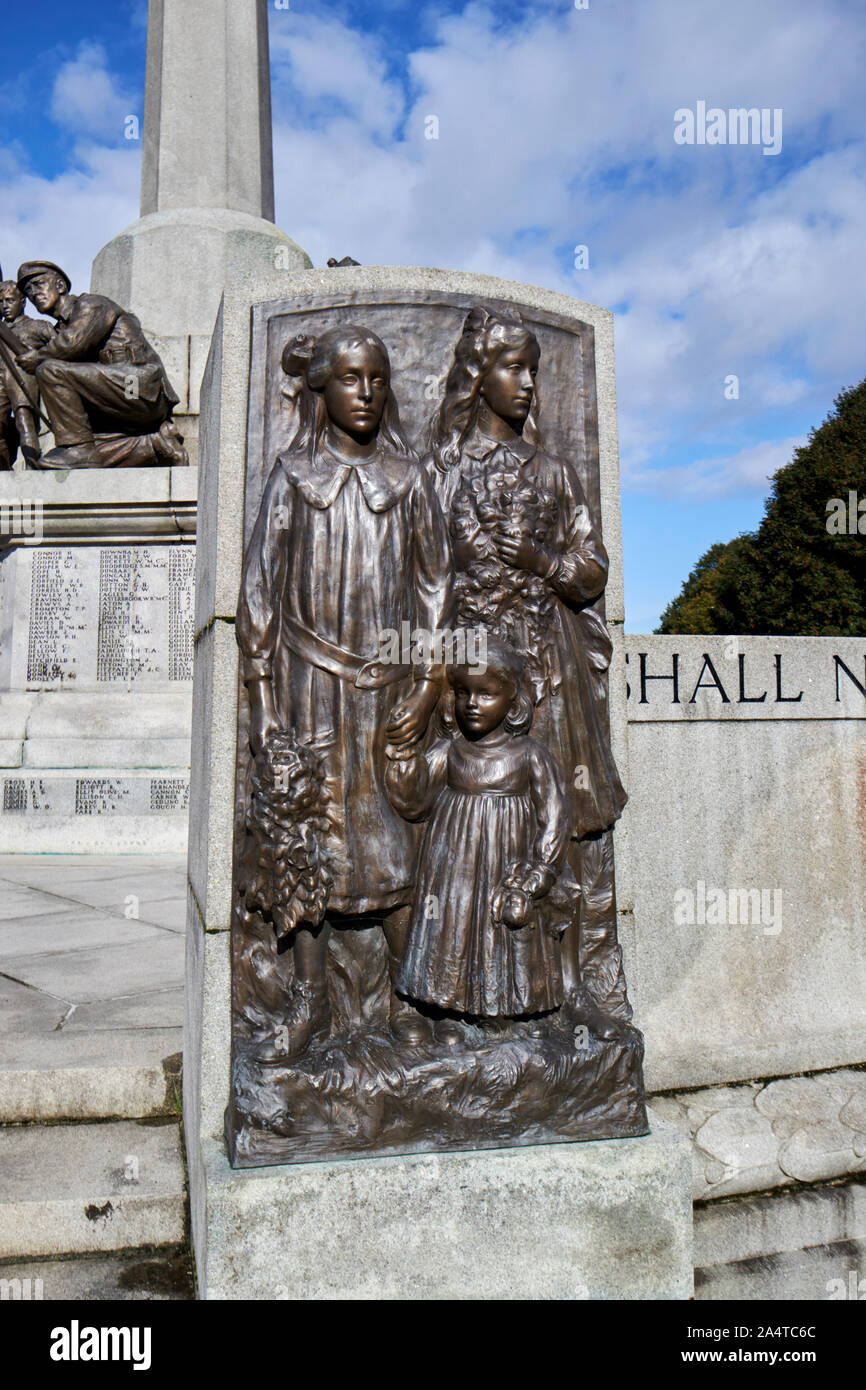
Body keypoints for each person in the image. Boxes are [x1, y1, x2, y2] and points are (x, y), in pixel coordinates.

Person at [236, 323, 453, 1053]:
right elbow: (259, 593)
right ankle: (309, 1001)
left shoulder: (411, 477)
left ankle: (406, 999)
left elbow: (434, 588)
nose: (366, 393)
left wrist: (425, 687)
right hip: (308, 689)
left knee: (395, 845)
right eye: (351, 379)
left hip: (388, 694)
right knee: (305, 844)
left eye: (379, 380)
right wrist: (262, 698)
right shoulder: (294, 476)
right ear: (322, 390)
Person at [428, 305, 630, 1038]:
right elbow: (418, 578)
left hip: (552, 676)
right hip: (475, 682)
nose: (528, 386)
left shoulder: (554, 471)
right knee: (480, 830)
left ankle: (588, 984)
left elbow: (590, 569)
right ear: (477, 377)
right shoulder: (441, 472)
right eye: (514, 368)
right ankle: (477, 990)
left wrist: (540, 560)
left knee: (570, 825)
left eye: (535, 371)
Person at [385, 638, 577, 1041]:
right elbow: (416, 801)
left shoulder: (529, 754)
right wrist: (404, 766)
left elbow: (555, 815)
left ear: (513, 701)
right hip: (452, 865)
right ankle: (450, 1007)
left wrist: (541, 869)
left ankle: (501, 1007)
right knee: (451, 930)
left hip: (504, 862)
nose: (472, 703)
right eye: (463, 693)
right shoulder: (450, 750)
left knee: (500, 937)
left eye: (486, 694)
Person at [14, 260, 187, 468]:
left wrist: (38, 357)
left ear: (59, 286)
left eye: (39, 284)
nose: (34, 293)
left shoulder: (91, 305)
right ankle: (155, 445)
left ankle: (80, 450)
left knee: (50, 370)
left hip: (136, 386)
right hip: (118, 398)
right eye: (28, 290)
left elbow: (73, 344)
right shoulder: (60, 328)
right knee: (79, 452)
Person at [0, 279, 51, 467]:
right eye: (1, 302)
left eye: (10, 300)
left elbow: (63, 349)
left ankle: (32, 466)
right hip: (0, 381)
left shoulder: (38, 326)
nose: (5, 306)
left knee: (24, 422)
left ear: (22, 302)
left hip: (22, 379)